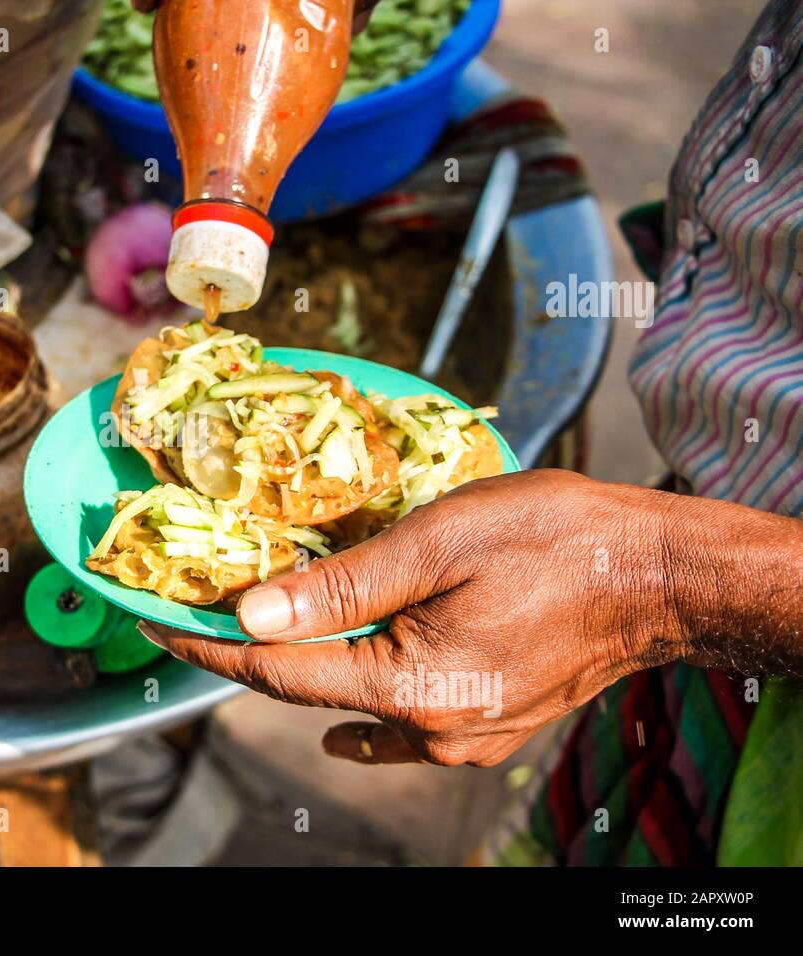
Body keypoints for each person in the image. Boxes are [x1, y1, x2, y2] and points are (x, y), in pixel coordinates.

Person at [133, 0, 803, 864]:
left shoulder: (664, 583)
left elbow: (672, 587)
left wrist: (660, 584)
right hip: (729, 578)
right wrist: (673, 591)